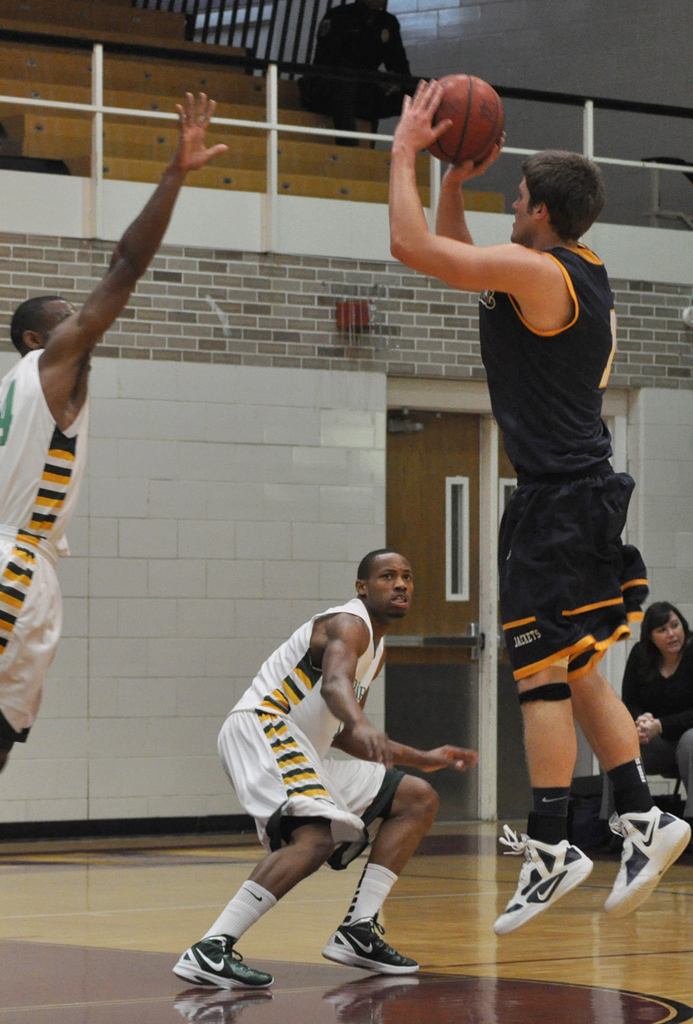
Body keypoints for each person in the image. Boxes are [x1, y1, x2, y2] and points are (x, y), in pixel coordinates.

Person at [0, 94, 228, 976]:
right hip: (12, 561)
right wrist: (174, 173)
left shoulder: (1, 402)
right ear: (37, 333)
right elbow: (127, 266)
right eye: (66, 312)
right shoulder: (50, 364)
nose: (82, 321)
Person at [387, 79, 690, 936]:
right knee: (583, 664)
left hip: (561, 502)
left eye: (515, 197)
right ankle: (641, 815)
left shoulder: (540, 271)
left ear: (542, 214)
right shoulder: (571, 270)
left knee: (539, 677)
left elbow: (414, 250)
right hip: (570, 497)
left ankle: (554, 842)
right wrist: (455, 185)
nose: (507, 206)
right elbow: (463, 268)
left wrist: (408, 150)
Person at [173, 549, 478, 989]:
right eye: (387, 576)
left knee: (416, 797)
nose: (401, 584)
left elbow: (343, 735)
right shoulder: (348, 624)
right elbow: (336, 687)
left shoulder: (378, 648)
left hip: (305, 747)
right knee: (314, 837)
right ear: (362, 587)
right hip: (265, 726)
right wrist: (360, 720)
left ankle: (358, 930)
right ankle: (211, 947)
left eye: (407, 577)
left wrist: (424, 757)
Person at [299, 0, 413, 146]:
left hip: (363, 89)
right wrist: (374, 78)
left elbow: (399, 65)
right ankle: (350, 149)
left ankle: (419, 148)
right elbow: (329, 60)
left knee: (420, 92)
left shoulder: (387, 22)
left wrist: (396, 82)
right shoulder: (338, 15)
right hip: (328, 88)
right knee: (345, 85)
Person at [621, 601, 693, 827]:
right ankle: (619, 822)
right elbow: (630, 701)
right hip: (657, 743)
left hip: (687, 740)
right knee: (617, 743)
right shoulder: (641, 655)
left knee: (691, 740)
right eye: (662, 630)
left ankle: (691, 821)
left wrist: (660, 725)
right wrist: (641, 720)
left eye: (675, 625)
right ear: (650, 637)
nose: (672, 634)